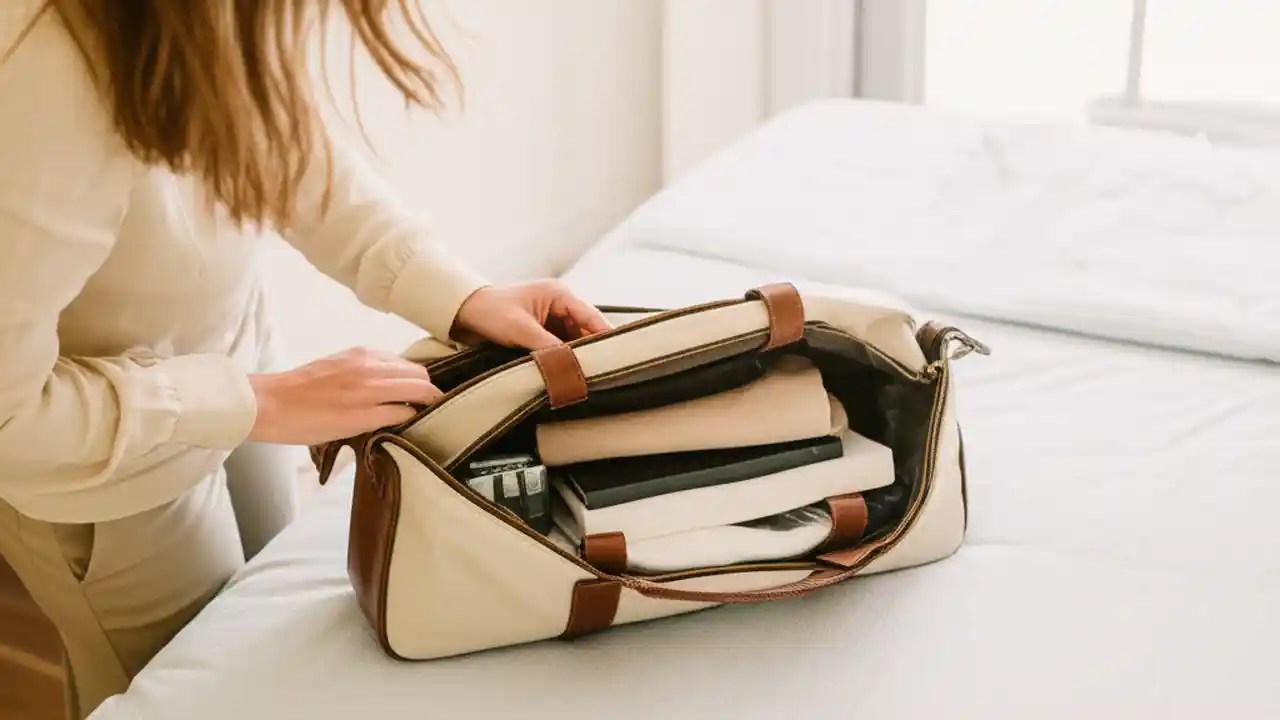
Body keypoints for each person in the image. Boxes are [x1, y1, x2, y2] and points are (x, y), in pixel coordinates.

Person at [0, 1, 612, 717]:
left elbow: (283, 152)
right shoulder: (42, 74)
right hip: (101, 470)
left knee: (269, 653)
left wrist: (459, 294)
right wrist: (256, 402)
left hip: (228, 357)